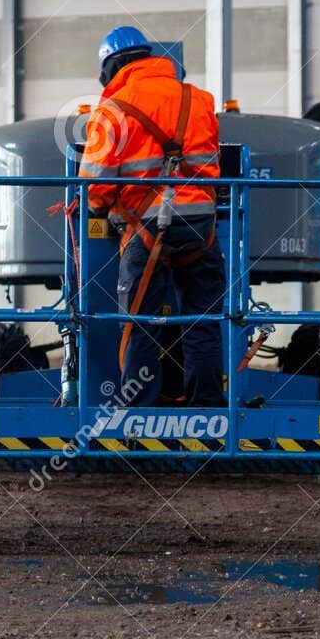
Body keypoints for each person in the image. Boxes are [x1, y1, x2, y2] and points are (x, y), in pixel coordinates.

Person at [78, 25, 225, 407]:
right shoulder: (200, 99)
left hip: (146, 227)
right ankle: (207, 408)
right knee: (203, 318)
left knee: (141, 323)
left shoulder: (112, 109)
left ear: (111, 68)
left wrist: (95, 211)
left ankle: (138, 410)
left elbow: (95, 185)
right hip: (201, 225)